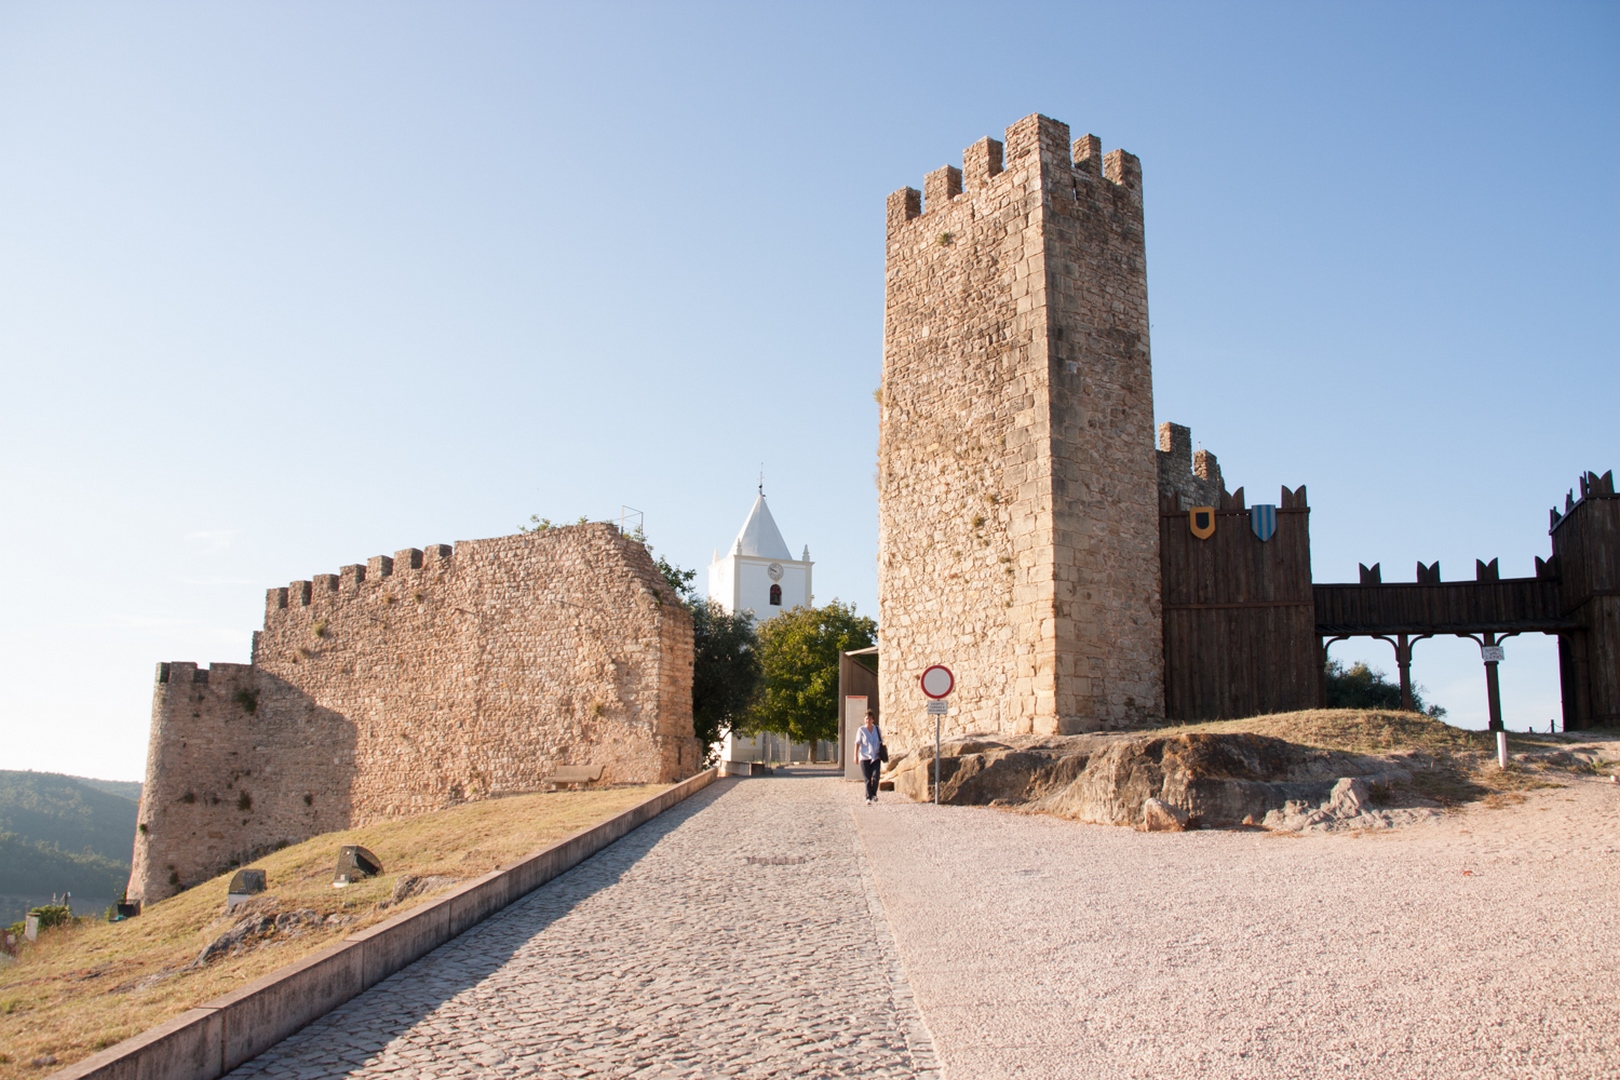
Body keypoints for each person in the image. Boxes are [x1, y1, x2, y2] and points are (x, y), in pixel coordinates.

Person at [856, 709, 884, 804]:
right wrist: (855, 756)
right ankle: (868, 797)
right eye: (866, 718)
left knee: (876, 776)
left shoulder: (877, 729)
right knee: (867, 778)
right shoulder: (861, 730)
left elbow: (881, 741)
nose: (868, 720)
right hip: (864, 757)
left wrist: (881, 753)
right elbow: (857, 743)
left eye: (870, 719)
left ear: (873, 720)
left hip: (875, 756)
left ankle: (874, 793)